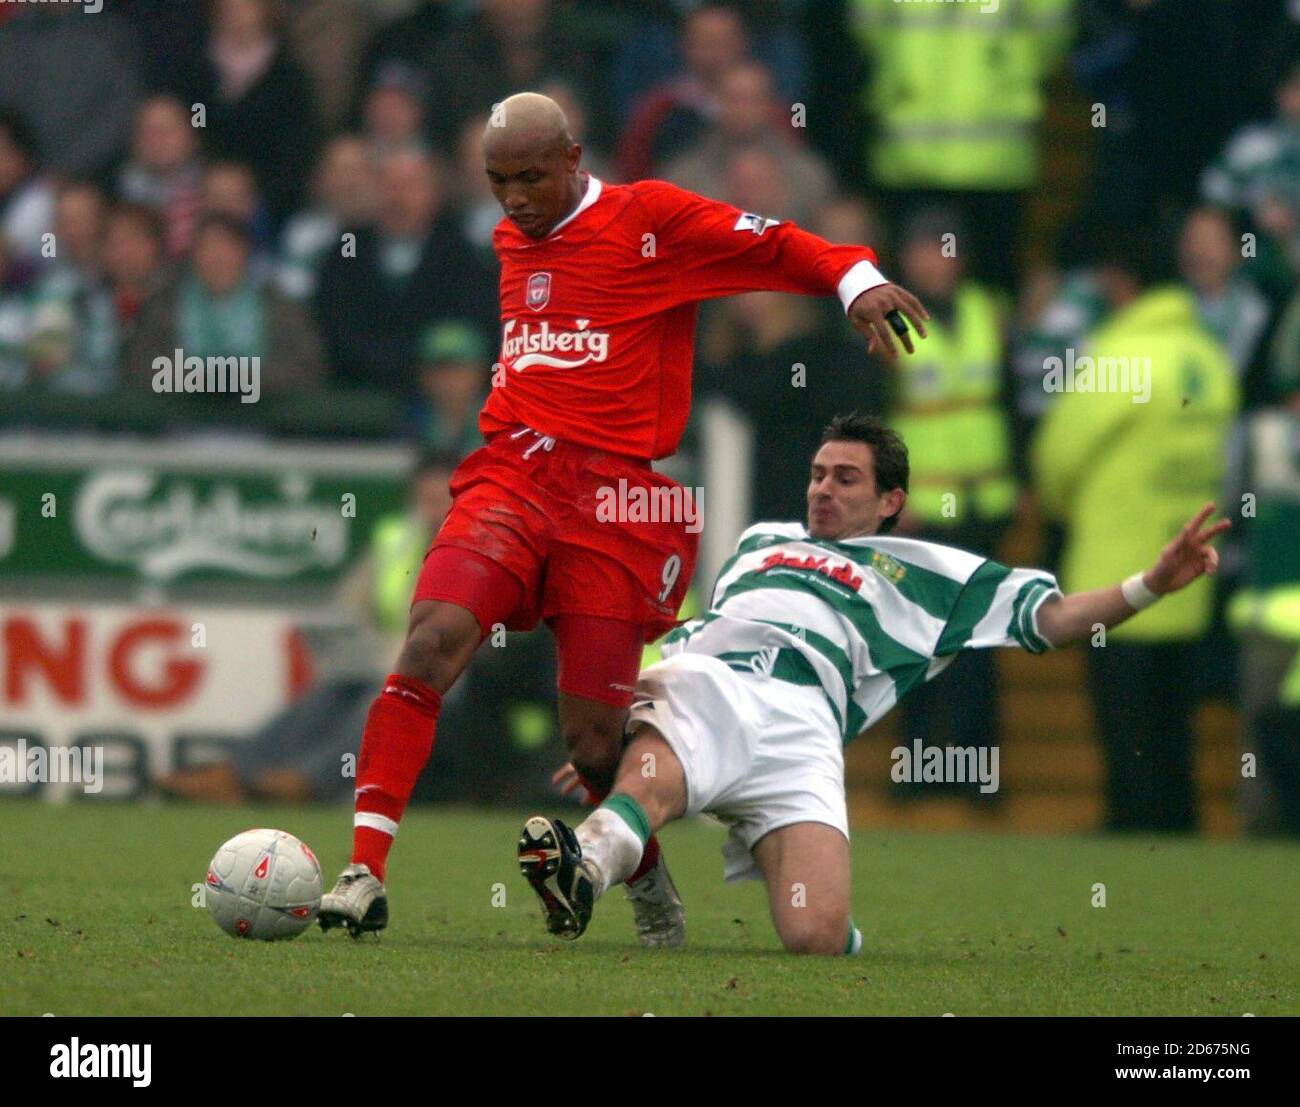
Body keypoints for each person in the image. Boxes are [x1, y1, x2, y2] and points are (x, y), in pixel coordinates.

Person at [317, 91, 929, 945]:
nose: (515, 199)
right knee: (429, 639)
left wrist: (854, 279)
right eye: (498, 182)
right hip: (514, 476)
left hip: (614, 503)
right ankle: (364, 871)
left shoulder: (653, 220)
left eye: (532, 177)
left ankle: (644, 881)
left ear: (574, 159)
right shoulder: (506, 239)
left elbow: (773, 242)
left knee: (596, 738)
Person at [517, 414, 1230, 954]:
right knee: (659, 766)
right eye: (819, 473)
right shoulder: (761, 541)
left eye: (845, 477)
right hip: (721, 681)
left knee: (814, 934)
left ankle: (627, 860)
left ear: (891, 499)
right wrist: (626, 713)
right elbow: (705, 630)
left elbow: (1053, 617)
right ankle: (589, 865)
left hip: (805, 727)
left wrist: (1151, 584)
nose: (823, 488)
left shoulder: (930, 571)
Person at [1033, 233, 1238, 832]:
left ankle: (1130, 820)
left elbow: (1059, 454)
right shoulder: (1206, 354)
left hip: (1120, 566)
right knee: (1175, 716)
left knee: (1124, 716)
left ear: (1123, 282)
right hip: (1190, 562)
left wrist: (1060, 503)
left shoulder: (1124, 353)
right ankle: (1179, 822)